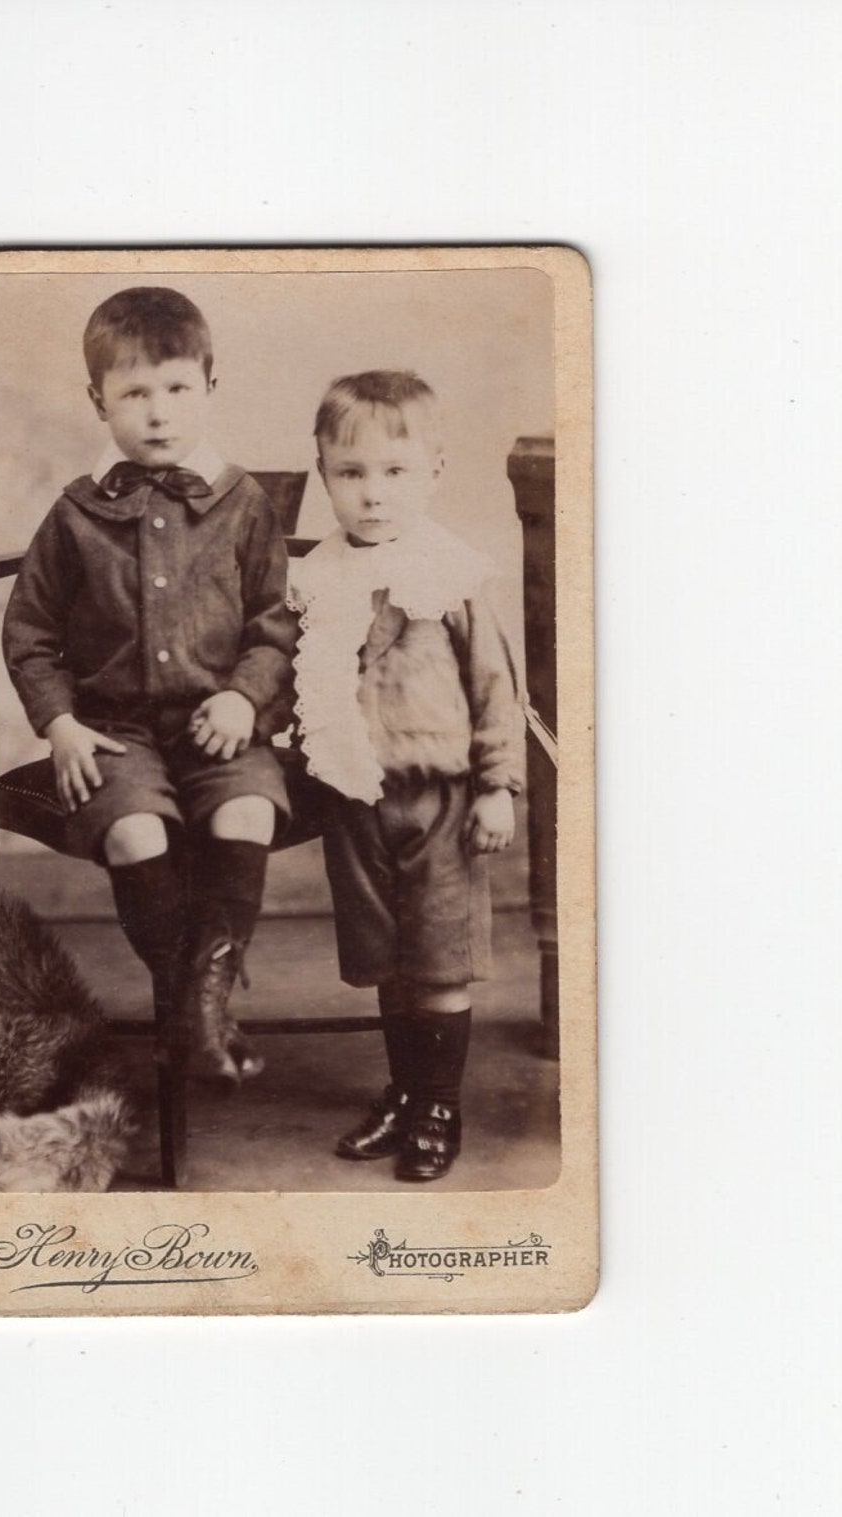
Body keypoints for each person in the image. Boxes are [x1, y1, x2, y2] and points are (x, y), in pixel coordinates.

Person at [2, 286, 295, 1085]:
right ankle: (198, 1015)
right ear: (98, 401)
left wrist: (244, 696)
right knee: (136, 833)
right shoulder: (75, 514)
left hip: (219, 725)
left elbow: (275, 622)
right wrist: (60, 724)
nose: (159, 412)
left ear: (210, 386)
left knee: (246, 810)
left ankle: (194, 1013)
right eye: (135, 393)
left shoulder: (242, 504)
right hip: (114, 730)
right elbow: (30, 634)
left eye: (177, 388)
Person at [288, 371, 525, 1181]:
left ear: (433, 472)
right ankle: (404, 1091)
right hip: (355, 797)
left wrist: (497, 786)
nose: (373, 493)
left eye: (396, 471)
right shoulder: (318, 575)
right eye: (351, 472)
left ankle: (440, 1104)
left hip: (439, 800)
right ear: (324, 473)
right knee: (388, 960)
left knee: (439, 958)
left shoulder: (448, 573)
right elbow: (299, 676)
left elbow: (496, 688)